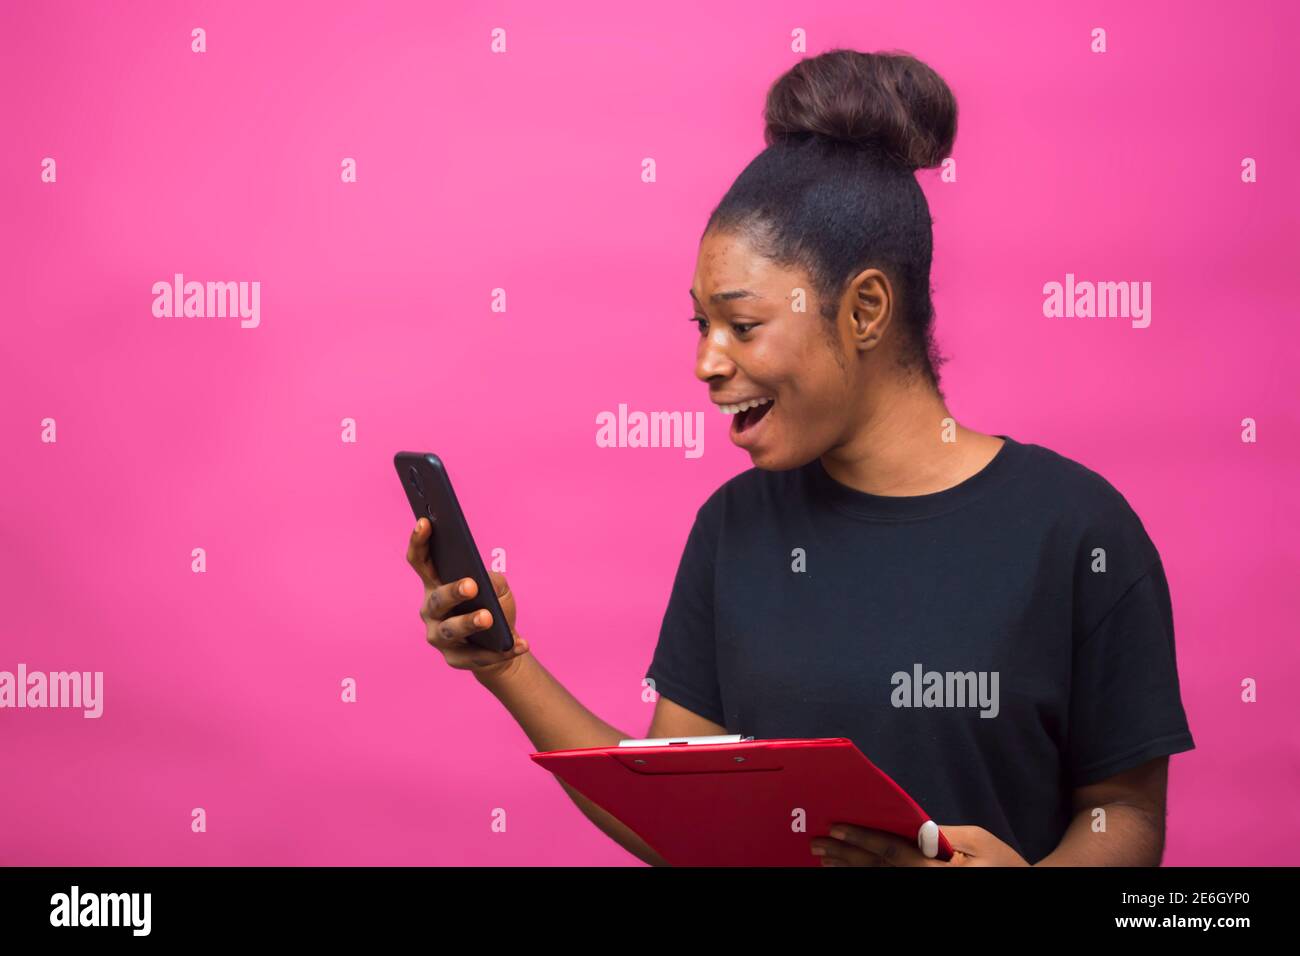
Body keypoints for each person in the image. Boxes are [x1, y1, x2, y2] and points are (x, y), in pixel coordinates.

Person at [404, 48, 1195, 867]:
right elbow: (680, 814)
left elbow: (1123, 813)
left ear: (864, 310)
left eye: (741, 326)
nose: (707, 362)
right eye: (699, 325)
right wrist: (505, 664)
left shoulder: (1076, 530)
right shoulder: (735, 527)